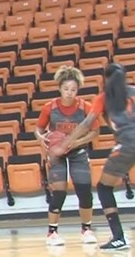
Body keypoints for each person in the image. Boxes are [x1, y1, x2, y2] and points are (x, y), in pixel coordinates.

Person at [52, 63, 135, 250]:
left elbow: (86, 124)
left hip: (129, 141)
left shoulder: (104, 98)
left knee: (104, 187)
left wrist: (64, 143)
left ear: (106, 80)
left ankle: (119, 237)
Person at [34, 65, 98, 246]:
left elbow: (95, 132)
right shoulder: (50, 107)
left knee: (84, 191)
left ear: (78, 90)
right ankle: (52, 233)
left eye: (73, 89)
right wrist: (42, 138)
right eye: (66, 89)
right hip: (57, 154)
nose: (69, 93)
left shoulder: (85, 106)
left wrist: (74, 142)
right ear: (59, 89)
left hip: (78, 151)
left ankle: (86, 230)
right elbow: (38, 129)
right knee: (59, 192)